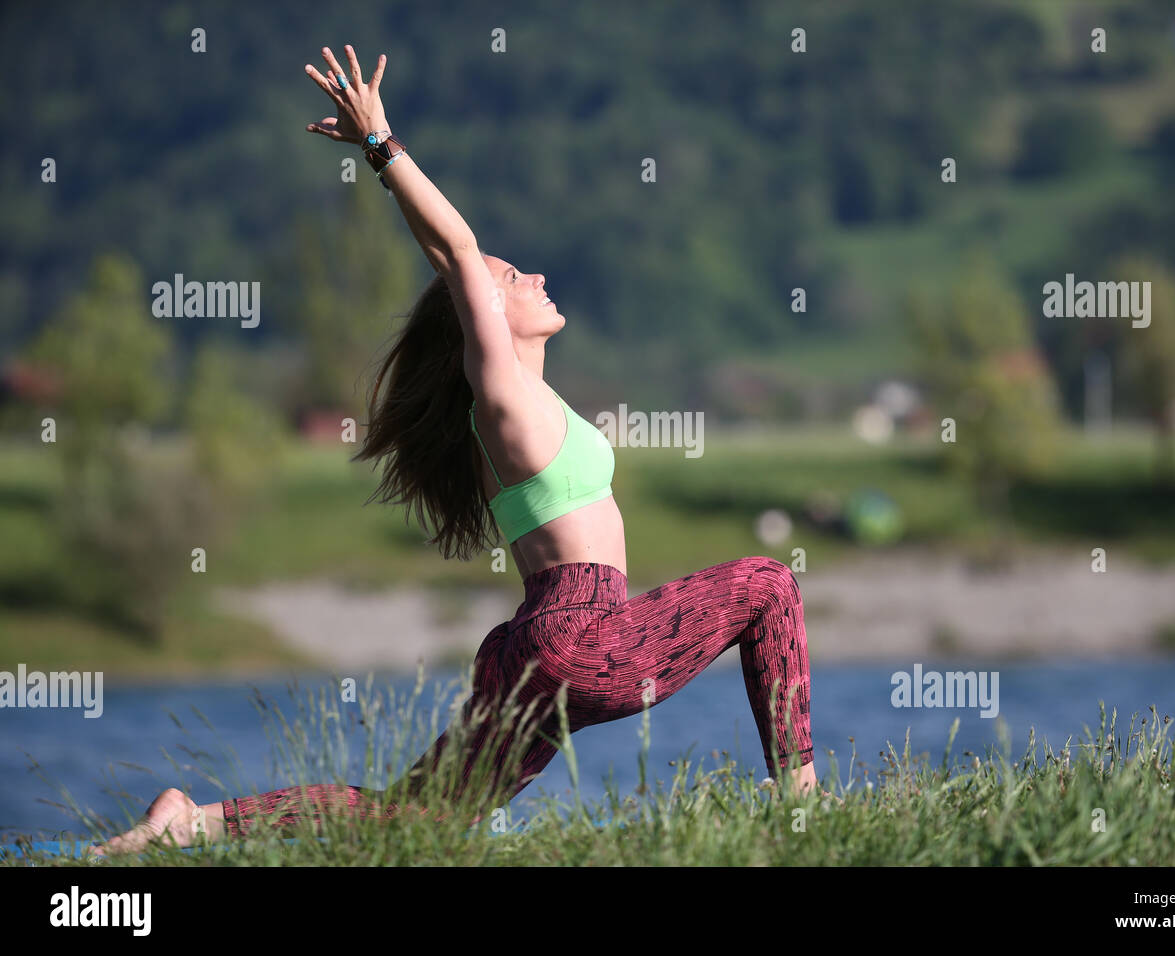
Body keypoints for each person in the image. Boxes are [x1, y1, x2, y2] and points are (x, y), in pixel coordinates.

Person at [99, 44, 814, 853]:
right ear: (486, 319)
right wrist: (381, 145)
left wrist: (404, 186)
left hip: (531, 649)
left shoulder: (531, 404)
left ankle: (191, 823)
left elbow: (457, 261)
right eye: (512, 280)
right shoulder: (504, 400)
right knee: (766, 583)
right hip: (584, 636)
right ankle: (802, 804)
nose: (532, 277)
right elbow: (459, 253)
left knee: (419, 818)